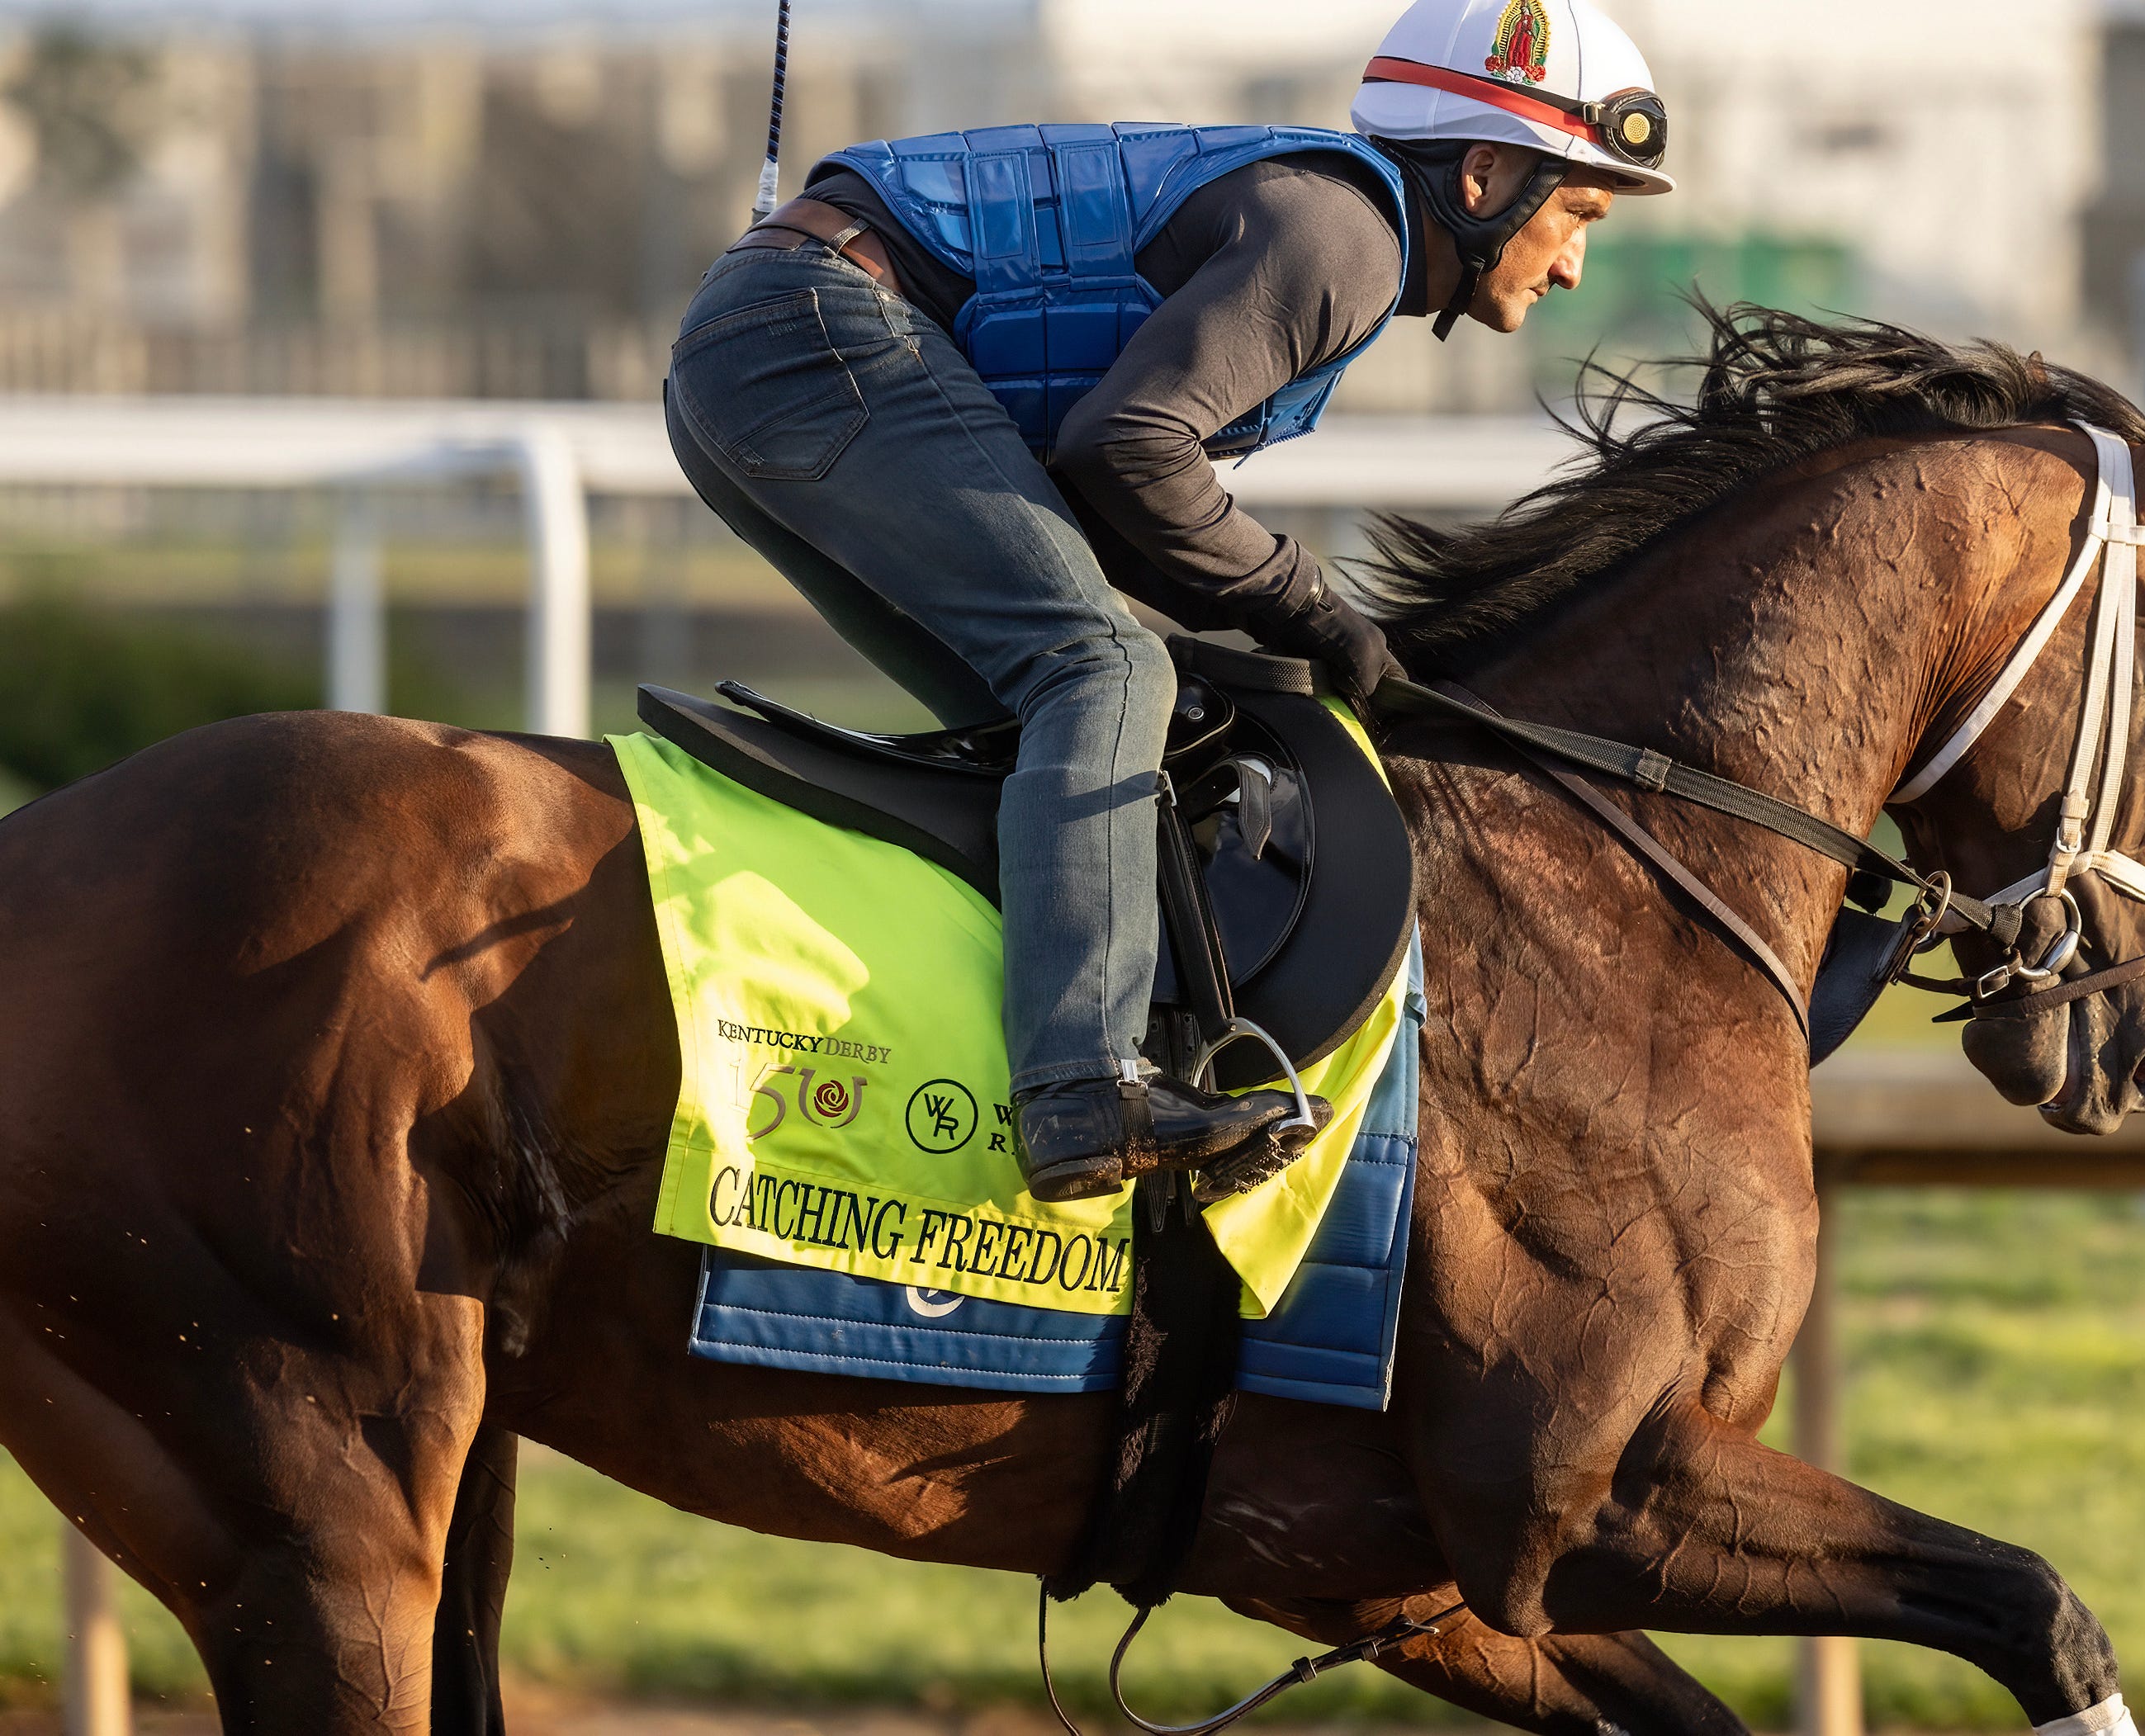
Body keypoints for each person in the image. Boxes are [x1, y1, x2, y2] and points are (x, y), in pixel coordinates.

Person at [664, 0, 1673, 1204]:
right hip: (815, 331)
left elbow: (1118, 494)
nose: (1572, 263)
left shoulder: (1332, 222)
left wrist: (1272, 629)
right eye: (1577, 215)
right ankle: (1084, 1087)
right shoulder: (1347, 242)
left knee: (1121, 698)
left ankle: (992, 1055)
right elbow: (1130, 450)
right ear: (1486, 169)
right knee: (1105, 675)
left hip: (766, 342)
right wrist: (1314, 609)